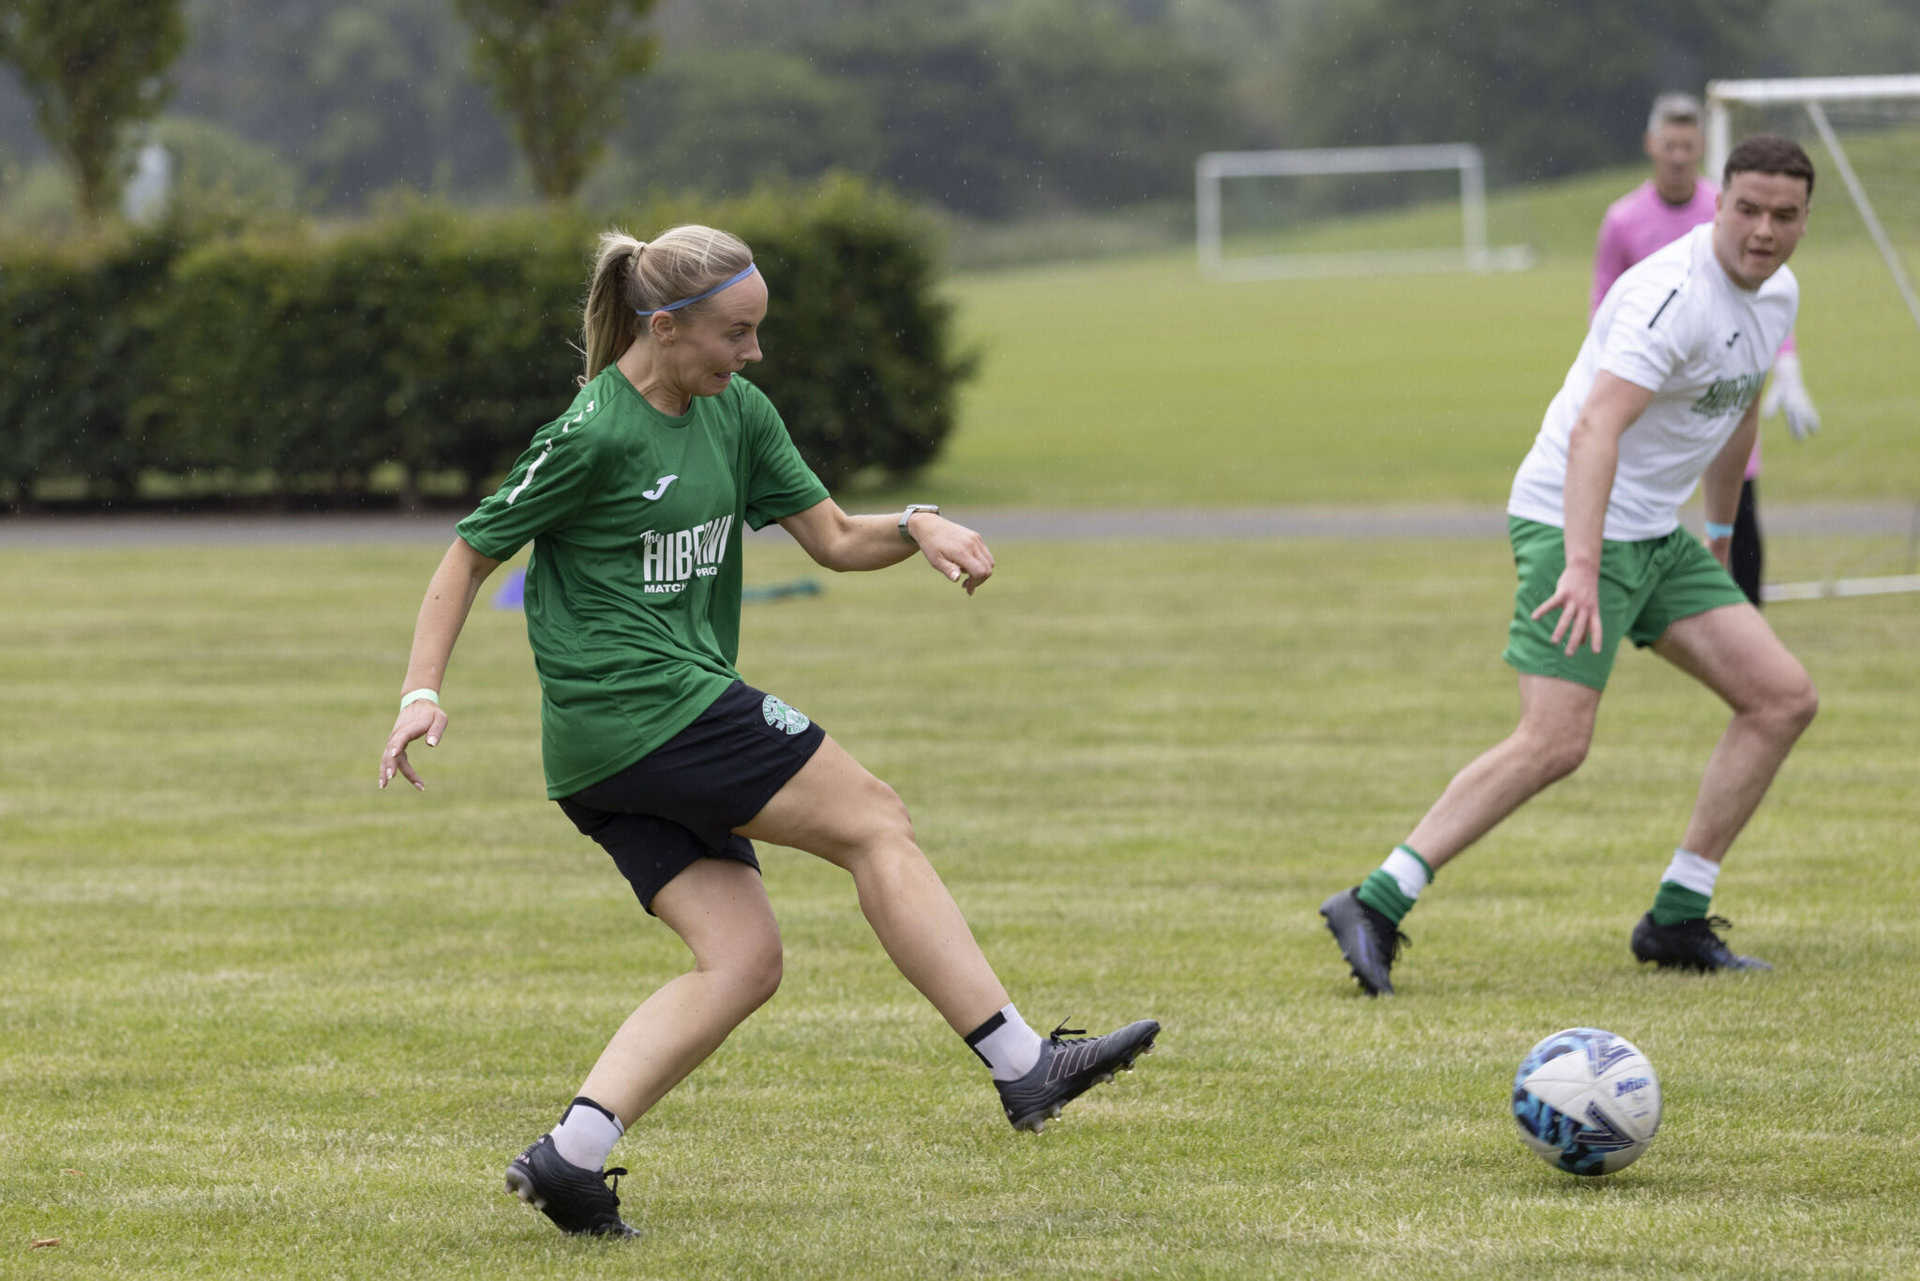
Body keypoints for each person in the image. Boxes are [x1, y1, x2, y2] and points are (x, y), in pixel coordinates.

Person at [378, 224, 1158, 1237]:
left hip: (613, 753)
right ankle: (1024, 1066)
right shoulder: (594, 431)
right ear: (665, 327)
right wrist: (419, 693)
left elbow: (833, 540)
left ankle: (570, 1157)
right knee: (874, 817)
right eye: (736, 335)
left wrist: (919, 524)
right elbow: (467, 558)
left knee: (744, 960)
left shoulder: (736, 414)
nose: (753, 355)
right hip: (647, 711)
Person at [1320, 136, 1822, 996]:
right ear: (1718, 203)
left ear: (1804, 219)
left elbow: (1738, 414)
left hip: (1653, 532)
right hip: (1569, 519)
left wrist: (1717, 537)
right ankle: (1374, 899)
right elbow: (1596, 429)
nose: (1764, 231)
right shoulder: (1672, 298)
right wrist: (1582, 565)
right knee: (1555, 740)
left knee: (1781, 698)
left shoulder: (1776, 294)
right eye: (1748, 209)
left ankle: (1675, 917)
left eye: (1784, 215)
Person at [1591, 92, 1823, 606]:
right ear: (1652, 145)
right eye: (1669, 145)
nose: (1678, 156)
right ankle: (1622, 596)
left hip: (1727, 384)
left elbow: (1766, 303)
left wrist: (1787, 369)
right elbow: (1603, 302)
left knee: (1739, 506)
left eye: (1688, 146)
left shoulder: (1743, 209)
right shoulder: (1623, 220)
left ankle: (1743, 613)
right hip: (1654, 384)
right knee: (1640, 502)